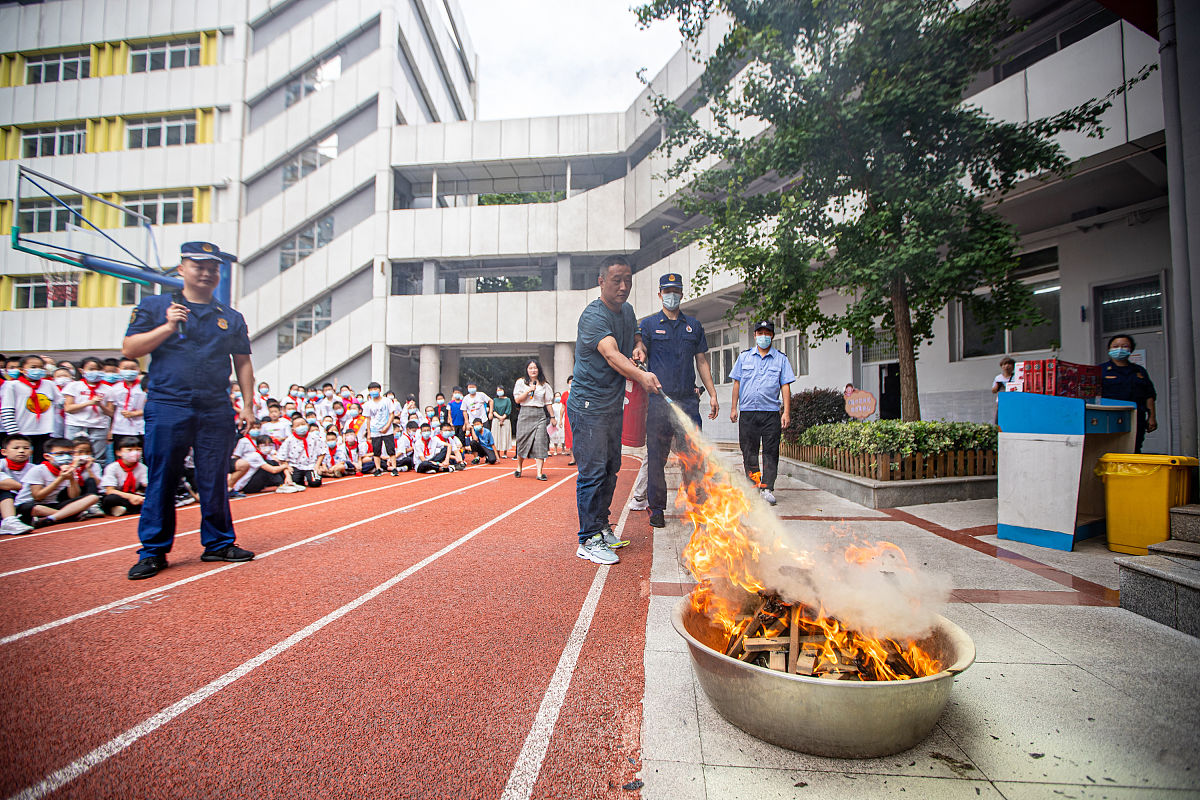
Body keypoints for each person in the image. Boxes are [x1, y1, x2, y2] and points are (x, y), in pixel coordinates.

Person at [122, 241, 257, 580]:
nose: (208, 272)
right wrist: (167, 327)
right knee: (163, 477)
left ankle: (218, 543)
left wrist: (248, 405)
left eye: (214, 267)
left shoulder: (230, 317)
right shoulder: (155, 306)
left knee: (214, 478)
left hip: (214, 407)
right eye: (199, 265)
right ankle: (153, 551)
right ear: (181, 268)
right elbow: (129, 349)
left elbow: (243, 364)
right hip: (168, 404)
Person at [568, 255, 659, 565]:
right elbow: (610, 354)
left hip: (611, 404)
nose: (624, 286)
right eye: (617, 280)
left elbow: (633, 334)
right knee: (592, 471)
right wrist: (642, 375)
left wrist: (639, 345)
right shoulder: (593, 316)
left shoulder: (628, 310)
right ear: (601, 281)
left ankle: (602, 526)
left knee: (611, 467)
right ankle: (587, 538)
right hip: (588, 405)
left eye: (628, 280)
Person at [639, 273, 720, 528]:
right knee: (656, 457)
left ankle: (697, 504)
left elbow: (702, 361)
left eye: (676, 290)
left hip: (687, 402)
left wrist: (713, 393)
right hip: (659, 402)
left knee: (694, 455)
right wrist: (638, 352)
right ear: (660, 294)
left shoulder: (693, 326)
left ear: (682, 294)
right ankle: (657, 508)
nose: (671, 295)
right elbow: (640, 350)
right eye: (667, 290)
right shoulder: (650, 325)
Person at [730, 320, 795, 506]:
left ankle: (767, 488)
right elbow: (737, 384)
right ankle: (753, 487)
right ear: (755, 335)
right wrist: (734, 408)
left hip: (771, 414)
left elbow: (785, 387)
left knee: (770, 452)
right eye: (760, 333)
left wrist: (786, 412)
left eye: (767, 333)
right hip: (748, 413)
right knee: (749, 451)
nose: (764, 336)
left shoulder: (781, 359)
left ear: (772, 336)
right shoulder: (744, 358)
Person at [14, 437, 101, 528]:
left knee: (93, 498)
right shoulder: (38, 470)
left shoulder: (69, 468)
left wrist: (71, 479)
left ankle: (52, 518)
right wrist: (60, 478)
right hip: (31, 505)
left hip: (53, 504)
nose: (66, 457)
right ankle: (67, 516)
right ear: (47, 456)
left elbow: (74, 496)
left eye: (70, 454)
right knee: (34, 508)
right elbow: (38, 496)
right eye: (60, 454)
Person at [1100, 334, 1157, 453]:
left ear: (1131, 349)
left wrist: (1152, 417)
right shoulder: (1101, 370)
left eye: (1124, 346)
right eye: (1115, 346)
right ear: (1109, 349)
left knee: (1134, 448)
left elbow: (1149, 395)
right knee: (1110, 448)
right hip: (1111, 417)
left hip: (1136, 417)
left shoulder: (1139, 371)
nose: (1119, 349)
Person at [1, 354, 59, 462]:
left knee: (41, 460)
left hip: (45, 431)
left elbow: (60, 403)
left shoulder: (49, 384)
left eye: (41, 367)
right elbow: (7, 410)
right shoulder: (12, 385)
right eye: (33, 367)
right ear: (22, 369)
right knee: (20, 460)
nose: (38, 370)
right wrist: (14, 433)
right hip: (22, 431)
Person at [61, 356, 112, 465]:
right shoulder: (73, 386)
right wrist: (89, 403)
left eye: (99, 369)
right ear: (82, 370)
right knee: (72, 455)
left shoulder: (108, 389)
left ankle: (95, 479)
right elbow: (68, 408)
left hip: (98, 426)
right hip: (75, 424)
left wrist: (100, 405)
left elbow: (111, 413)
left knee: (98, 458)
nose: (95, 372)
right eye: (91, 369)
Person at [514, 360, 552, 481]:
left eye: (535, 368)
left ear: (539, 369)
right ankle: (519, 467)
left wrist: (553, 417)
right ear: (527, 369)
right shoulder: (520, 382)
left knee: (541, 442)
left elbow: (548, 402)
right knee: (522, 441)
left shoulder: (544, 384)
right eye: (530, 368)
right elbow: (517, 400)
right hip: (525, 413)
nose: (533, 370)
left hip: (539, 414)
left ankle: (540, 473)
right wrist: (528, 390)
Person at [104, 356, 147, 448]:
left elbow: (150, 407)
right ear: (119, 370)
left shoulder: (143, 387)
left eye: (132, 368)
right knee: (120, 452)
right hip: (119, 428)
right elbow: (112, 411)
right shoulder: (115, 388)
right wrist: (110, 430)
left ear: (138, 370)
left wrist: (135, 413)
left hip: (141, 427)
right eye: (125, 368)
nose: (129, 371)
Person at [99, 437, 147, 517]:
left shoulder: (143, 468)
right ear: (119, 452)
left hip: (135, 495)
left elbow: (147, 484)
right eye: (129, 450)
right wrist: (130, 496)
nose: (135, 453)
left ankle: (123, 509)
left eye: (138, 450)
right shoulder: (112, 467)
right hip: (119, 495)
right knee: (110, 499)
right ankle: (131, 509)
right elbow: (110, 491)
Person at [0, 434, 35, 533]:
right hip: (8, 500)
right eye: (16, 448)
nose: (21, 451)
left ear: (31, 451)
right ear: (4, 452)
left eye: (26, 448)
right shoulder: (2, 464)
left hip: (22, 502)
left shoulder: (34, 468)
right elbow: (15, 485)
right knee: (4, 489)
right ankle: (9, 520)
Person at [277, 416, 323, 488]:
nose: (301, 427)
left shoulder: (315, 437)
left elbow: (322, 452)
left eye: (303, 424)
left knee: (315, 483)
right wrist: (288, 467)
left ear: (307, 425)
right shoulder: (289, 440)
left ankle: (312, 477)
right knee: (296, 483)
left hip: (311, 466)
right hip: (295, 466)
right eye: (298, 425)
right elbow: (282, 457)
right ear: (293, 429)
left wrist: (317, 465)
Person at [362, 382, 397, 475]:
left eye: (375, 389)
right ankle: (378, 469)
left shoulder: (387, 401)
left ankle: (394, 468)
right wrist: (369, 432)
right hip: (375, 430)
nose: (374, 391)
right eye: (371, 390)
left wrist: (387, 426)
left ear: (380, 390)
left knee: (391, 449)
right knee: (376, 450)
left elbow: (392, 414)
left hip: (387, 429)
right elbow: (368, 419)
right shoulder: (368, 404)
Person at [991, 356, 1017, 422]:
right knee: (1000, 418)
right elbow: (993, 391)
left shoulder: (1016, 377)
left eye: (1009, 364)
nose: (1007, 366)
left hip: (1014, 400)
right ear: (1002, 366)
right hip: (1001, 400)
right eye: (1004, 364)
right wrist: (997, 385)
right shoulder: (998, 378)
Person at [491, 385, 513, 458]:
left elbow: (508, 410)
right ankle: (497, 452)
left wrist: (503, 418)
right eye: (498, 390)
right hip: (496, 419)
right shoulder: (494, 400)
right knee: (496, 436)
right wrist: (499, 417)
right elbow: (493, 410)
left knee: (505, 435)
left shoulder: (508, 400)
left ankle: (505, 453)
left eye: (500, 390)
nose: (499, 391)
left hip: (505, 419)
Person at [561, 375, 574, 465]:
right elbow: (562, 407)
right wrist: (560, 419)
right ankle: (573, 458)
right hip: (568, 420)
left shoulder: (579, 393)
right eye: (570, 382)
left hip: (578, 419)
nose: (572, 384)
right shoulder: (565, 394)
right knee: (570, 439)